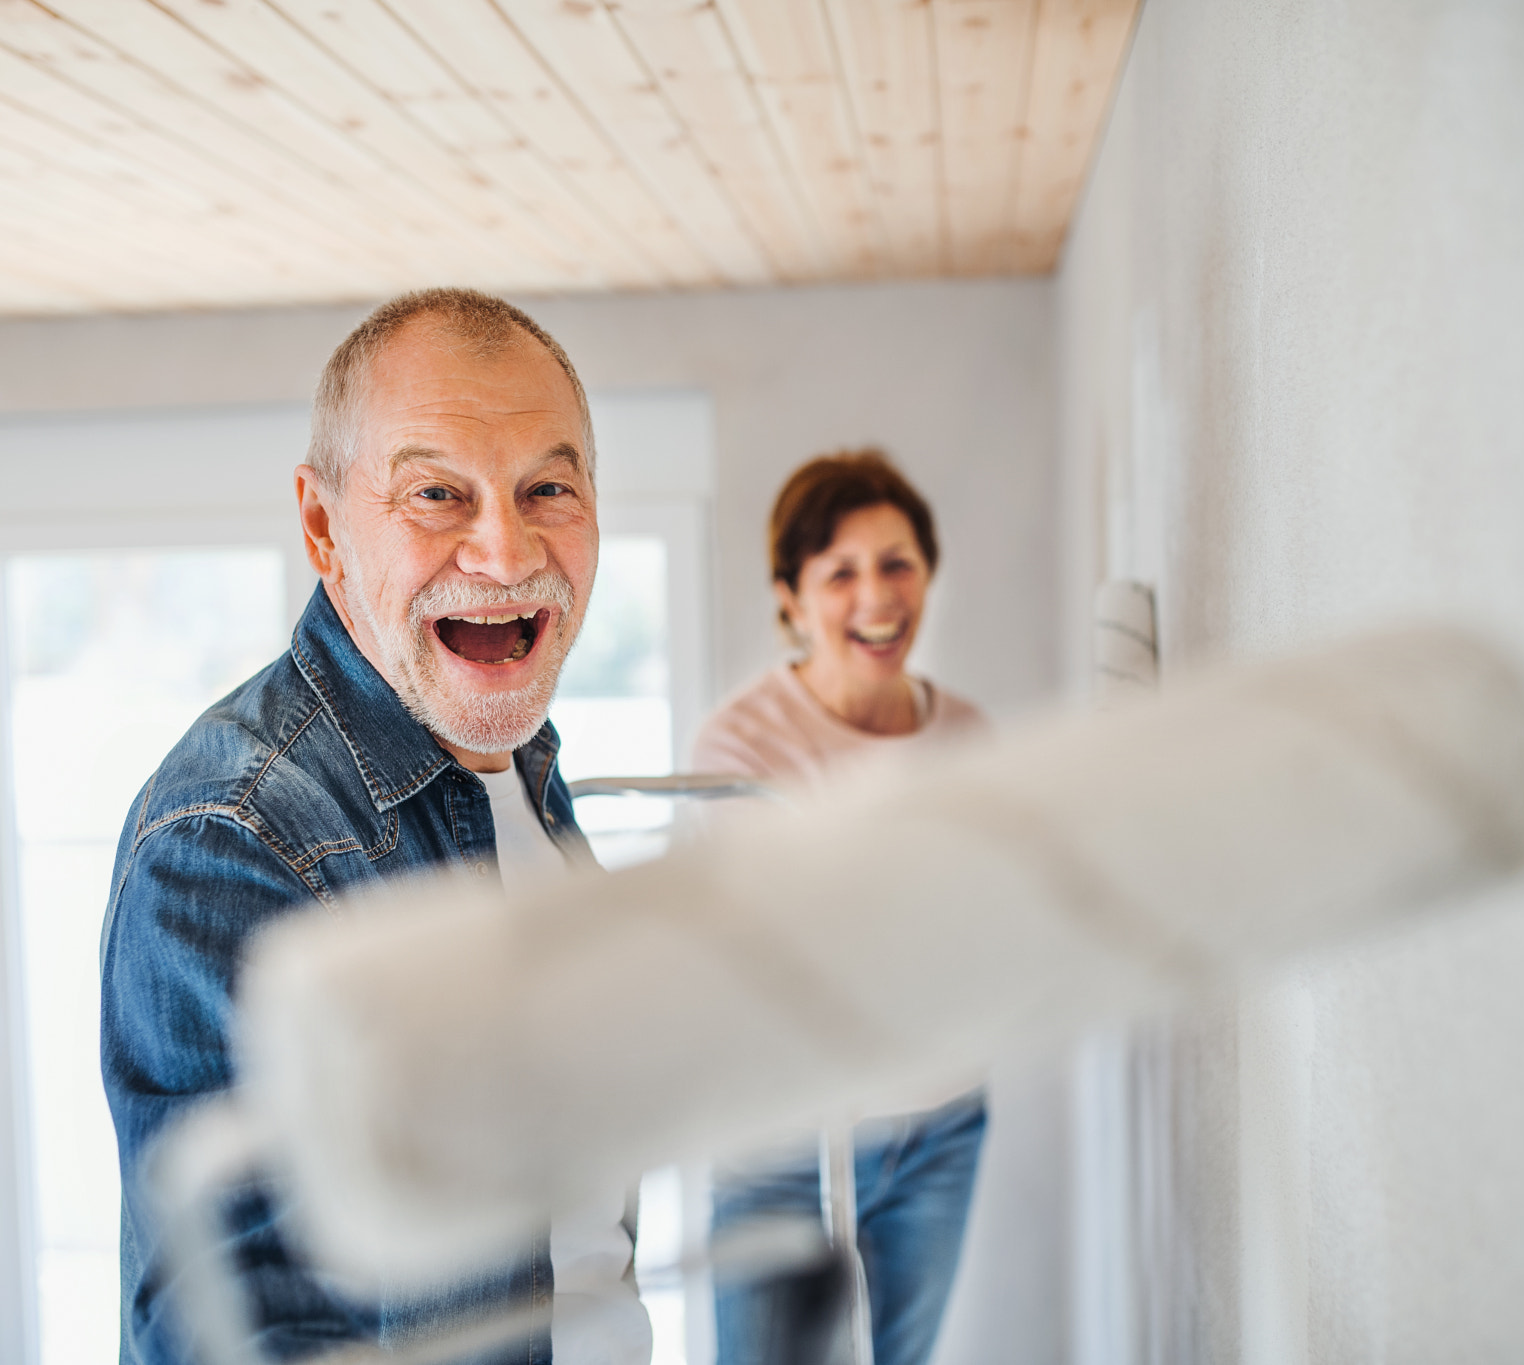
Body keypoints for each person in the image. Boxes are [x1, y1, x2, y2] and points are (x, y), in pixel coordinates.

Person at [100, 288, 648, 1365]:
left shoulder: (518, 762)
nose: (502, 551)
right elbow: (250, 1339)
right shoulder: (232, 837)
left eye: (547, 486)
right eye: (436, 493)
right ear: (322, 526)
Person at [693, 449, 989, 1365]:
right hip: (777, 1145)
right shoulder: (741, 746)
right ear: (790, 597)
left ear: (930, 572)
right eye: (840, 573)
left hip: (937, 1129)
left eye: (898, 563)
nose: (877, 596)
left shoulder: (969, 739)